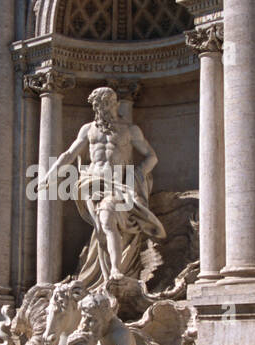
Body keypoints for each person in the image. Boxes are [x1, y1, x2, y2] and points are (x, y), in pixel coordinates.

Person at [40, 86, 165, 284]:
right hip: (91, 184)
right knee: (101, 228)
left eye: (110, 102)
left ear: (116, 103)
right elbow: (69, 154)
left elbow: (152, 157)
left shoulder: (130, 129)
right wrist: (49, 175)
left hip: (117, 185)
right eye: (101, 103)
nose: (106, 107)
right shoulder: (88, 130)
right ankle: (106, 275)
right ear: (95, 106)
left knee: (107, 221)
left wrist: (137, 174)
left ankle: (116, 270)